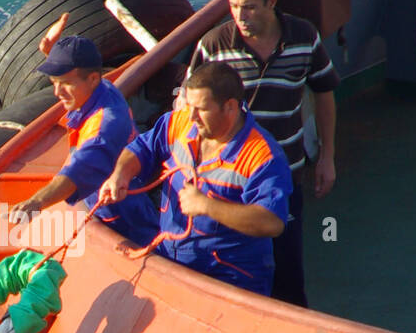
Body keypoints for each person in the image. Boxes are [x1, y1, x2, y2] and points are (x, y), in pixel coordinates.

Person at [185, 0, 337, 306]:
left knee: (287, 269)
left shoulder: (304, 38)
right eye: (234, 6)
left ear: (272, 1)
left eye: (249, 7)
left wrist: (327, 157)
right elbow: (187, 110)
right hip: (229, 178)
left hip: (285, 173)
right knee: (233, 269)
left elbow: (325, 93)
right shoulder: (214, 47)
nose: (240, 15)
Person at [99, 62, 292, 295]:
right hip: (173, 264)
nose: (192, 116)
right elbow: (142, 147)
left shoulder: (262, 156)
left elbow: (271, 222)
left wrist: (206, 206)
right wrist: (120, 174)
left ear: (230, 107)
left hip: (231, 280)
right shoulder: (179, 123)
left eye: (201, 109)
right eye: (189, 106)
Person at [14, 33, 156, 245]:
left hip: (123, 213)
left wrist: (36, 202)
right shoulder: (102, 89)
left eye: (65, 83)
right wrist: (53, 54)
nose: (57, 92)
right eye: (53, 82)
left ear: (92, 79)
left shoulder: (104, 127)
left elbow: (75, 173)